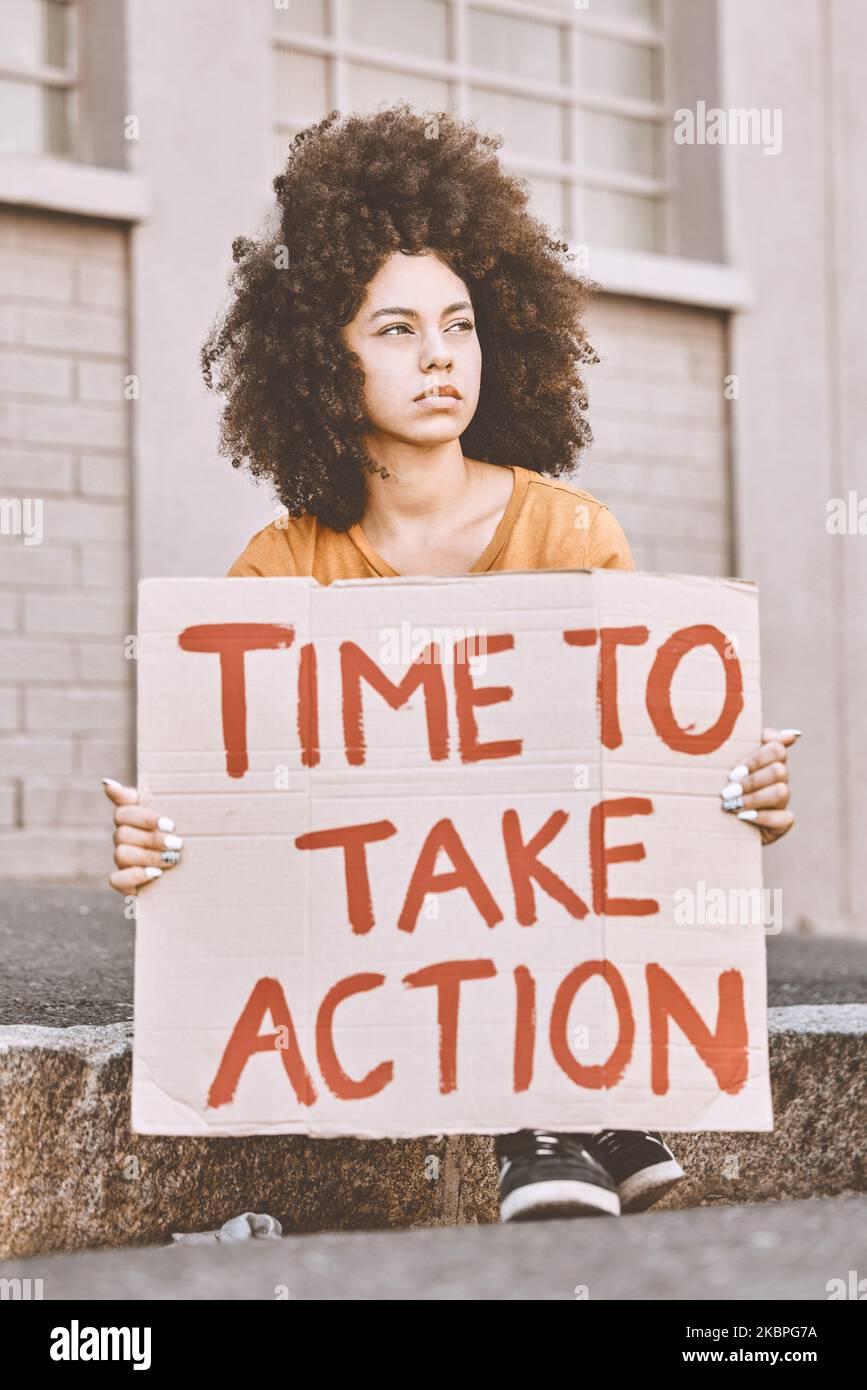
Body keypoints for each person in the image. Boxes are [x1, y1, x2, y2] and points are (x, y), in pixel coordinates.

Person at [102, 104, 798, 1223]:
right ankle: (566, 1113)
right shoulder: (282, 570)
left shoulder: (576, 537)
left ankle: (563, 1105)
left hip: (563, 939)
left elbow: (639, 797)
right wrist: (159, 841)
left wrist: (733, 793)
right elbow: (244, 814)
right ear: (318, 354)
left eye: (461, 324)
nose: (439, 356)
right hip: (379, 962)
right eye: (395, 330)